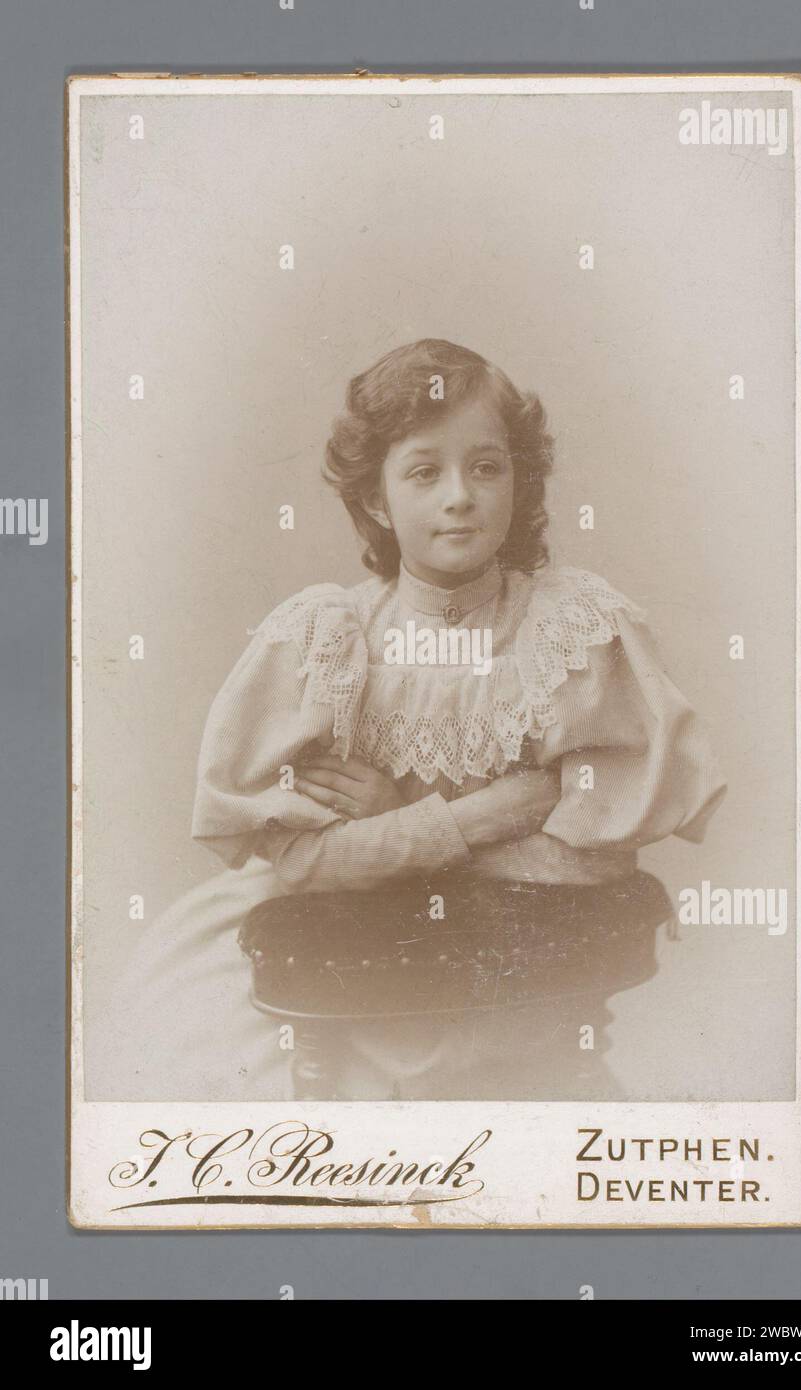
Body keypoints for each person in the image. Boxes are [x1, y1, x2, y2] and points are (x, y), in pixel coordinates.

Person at [96, 338, 726, 1102]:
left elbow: (591, 860)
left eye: (486, 466)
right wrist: (503, 809)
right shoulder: (325, 642)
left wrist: (396, 823)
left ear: (517, 481)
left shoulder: (570, 630)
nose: (459, 495)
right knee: (207, 1052)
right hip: (341, 964)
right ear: (374, 499)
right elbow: (304, 865)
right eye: (424, 472)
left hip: (512, 959)